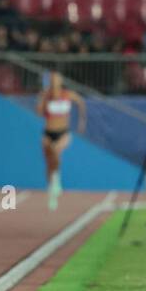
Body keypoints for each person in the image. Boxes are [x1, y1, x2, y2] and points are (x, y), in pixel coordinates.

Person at [37, 72, 86, 210]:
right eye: (52, 80)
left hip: (63, 132)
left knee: (55, 152)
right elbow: (39, 113)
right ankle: (51, 190)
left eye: (56, 80)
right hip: (48, 132)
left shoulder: (67, 94)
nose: (54, 82)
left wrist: (82, 122)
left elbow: (81, 102)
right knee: (48, 163)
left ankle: (56, 180)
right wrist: (42, 100)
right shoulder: (46, 95)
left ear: (60, 81)